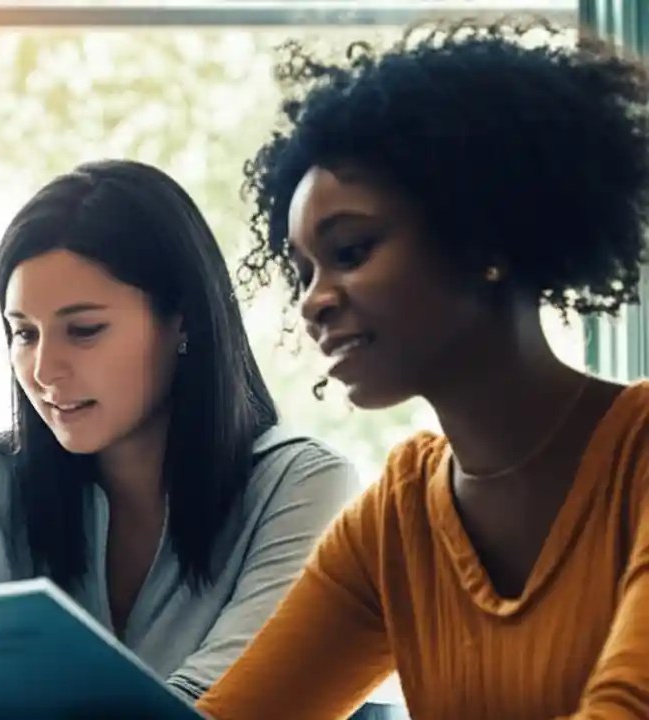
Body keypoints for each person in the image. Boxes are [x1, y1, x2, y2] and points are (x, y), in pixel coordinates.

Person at [194, 17, 649, 720]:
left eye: (349, 251)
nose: (314, 300)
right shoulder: (397, 521)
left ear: (482, 234)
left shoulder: (639, 460)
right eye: (304, 271)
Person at [0, 159, 359, 719]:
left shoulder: (301, 487)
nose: (45, 369)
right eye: (24, 333)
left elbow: (220, 709)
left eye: (84, 331)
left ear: (183, 321)